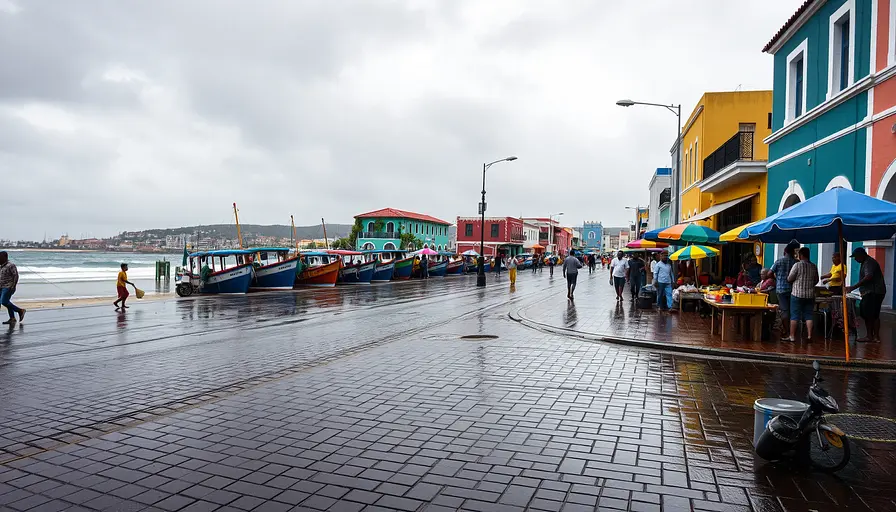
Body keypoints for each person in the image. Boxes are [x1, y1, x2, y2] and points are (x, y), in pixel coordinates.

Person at [847, 247, 887, 342]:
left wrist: (853, 287)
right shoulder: (866, 262)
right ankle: (871, 336)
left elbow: (868, 276)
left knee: (871, 314)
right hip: (871, 292)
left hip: (873, 292)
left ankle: (873, 336)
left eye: (856, 257)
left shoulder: (869, 263)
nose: (855, 259)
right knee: (869, 314)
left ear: (861, 255)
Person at [787, 247, 819, 343]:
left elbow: (790, 278)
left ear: (801, 255)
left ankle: (792, 336)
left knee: (794, 315)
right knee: (809, 315)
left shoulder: (797, 265)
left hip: (797, 294)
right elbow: (816, 280)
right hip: (810, 295)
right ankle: (809, 336)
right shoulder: (813, 266)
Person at [770, 241, 800, 341]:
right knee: (792, 311)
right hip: (793, 290)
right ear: (792, 252)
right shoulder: (796, 262)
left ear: (784, 252)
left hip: (781, 289)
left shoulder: (779, 261)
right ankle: (792, 331)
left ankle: (787, 331)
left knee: (784, 311)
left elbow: (769, 273)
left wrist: (776, 277)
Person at [0, 252, 24, 325]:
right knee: (7, 302)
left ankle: (20, 310)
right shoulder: (1, 266)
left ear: (5, 257)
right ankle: (12, 318)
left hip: (8, 287)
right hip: (1, 287)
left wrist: (13, 286)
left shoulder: (11, 265)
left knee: (4, 301)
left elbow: (15, 276)